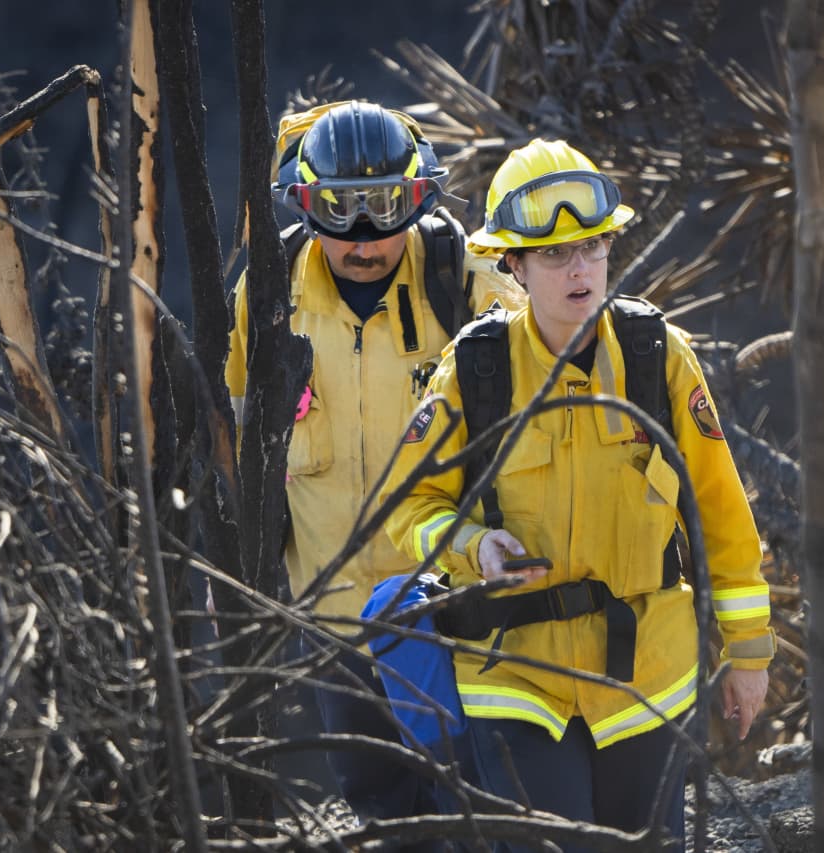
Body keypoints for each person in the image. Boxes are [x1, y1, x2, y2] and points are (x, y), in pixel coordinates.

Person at [382, 138, 774, 850]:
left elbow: (720, 508)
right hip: (516, 676)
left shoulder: (659, 356)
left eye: (591, 247)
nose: (579, 268)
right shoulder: (473, 372)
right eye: (555, 253)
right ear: (515, 265)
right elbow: (409, 507)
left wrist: (749, 652)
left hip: (648, 675)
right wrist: (472, 545)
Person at [224, 100, 523, 840]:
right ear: (306, 203)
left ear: (418, 195)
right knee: (383, 806)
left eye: (384, 207)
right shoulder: (268, 297)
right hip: (331, 620)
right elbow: (236, 430)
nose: (363, 237)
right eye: (339, 210)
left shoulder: (467, 285)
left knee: (478, 804)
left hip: (450, 617)